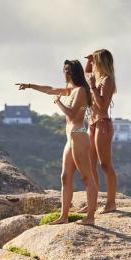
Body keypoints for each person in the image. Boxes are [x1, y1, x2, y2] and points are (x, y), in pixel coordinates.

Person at [16, 60, 98, 225]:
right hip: (71, 137)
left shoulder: (81, 91)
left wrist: (58, 103)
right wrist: (30, 85)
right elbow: (50, 90)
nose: (63, 74)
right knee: (65, 177)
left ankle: (90, 217)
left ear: (69, 72)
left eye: (64, 71)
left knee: (86, 177)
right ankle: (64, 216)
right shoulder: (72, 90)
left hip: (79, 135)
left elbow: (73, 114)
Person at [84, 48, 119, 213]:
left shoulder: (107, 80)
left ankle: (111, 203)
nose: (92, 64)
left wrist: (92, 88)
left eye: (94, 61)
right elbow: (86, 73)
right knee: (90, 165)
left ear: (101, 62)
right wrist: (88, 60)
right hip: (92, 124)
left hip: (102, 124)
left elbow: (102, 105)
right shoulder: (97, 79)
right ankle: (92, 203)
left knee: (105, 165)